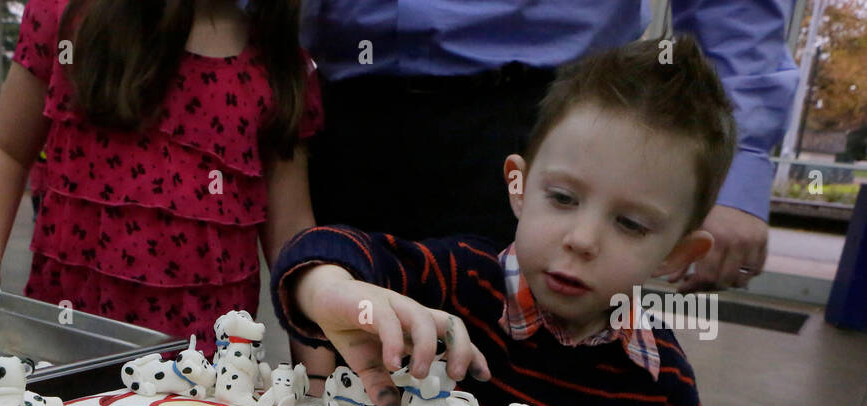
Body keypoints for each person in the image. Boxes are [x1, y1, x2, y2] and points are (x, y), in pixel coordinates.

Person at [273, 36, 736, 406]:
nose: (582, 239)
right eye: (562, 197)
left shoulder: (666, 382)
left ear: (677, 254)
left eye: (631, 223)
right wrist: (329, 289)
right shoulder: (459, 281)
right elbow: (320, 248)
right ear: (518, 186)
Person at [0, 0, 328, 372]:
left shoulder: (279, 69)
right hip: (62, 353)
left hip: (205, 378)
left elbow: (291, 236)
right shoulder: (69, 21)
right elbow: (4, 148)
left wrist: (318, 379)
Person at [301, 0, 798, 292]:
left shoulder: (655, 375)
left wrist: (739, 161)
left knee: (524, 398)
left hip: (552, 115)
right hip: (338, 117)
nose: (584, 240)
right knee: (332, 393)